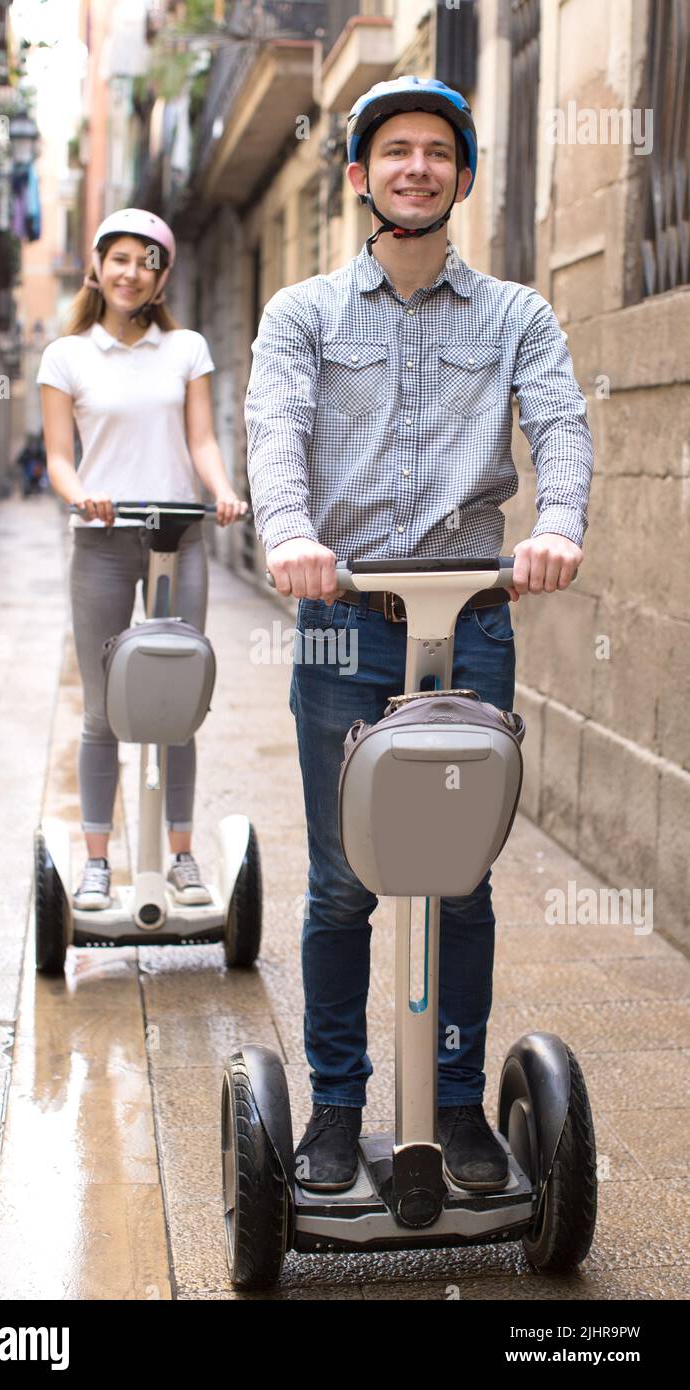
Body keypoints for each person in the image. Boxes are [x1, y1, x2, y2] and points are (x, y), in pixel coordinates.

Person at [245, 77, 593, 1194]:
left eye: (436, 152)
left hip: (473, 616)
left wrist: (557, 526)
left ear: (463, 174)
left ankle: (454, 1100)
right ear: (358, 176)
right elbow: (276, 429)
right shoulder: (302, 313)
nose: (415, 167)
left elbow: (560, 425)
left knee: (459, 878)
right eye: (393, 150)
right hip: (345, 620)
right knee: (346, 881)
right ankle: (338, 1106)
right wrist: (292, 535)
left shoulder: (516, 317)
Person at [38, 208, 246, 911]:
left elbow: (202, 441)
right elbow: (60, 459)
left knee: (177, 702)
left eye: (146, 262)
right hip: (101, 541)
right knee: (101, 711)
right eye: (120, 258)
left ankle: (181, 856)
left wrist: (221, 492)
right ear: (98, 266)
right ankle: (98, 862)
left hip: (179, 535)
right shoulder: (65, 356)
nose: (131, 272)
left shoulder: (186, 347)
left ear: (162, 278)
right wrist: (84, 496)